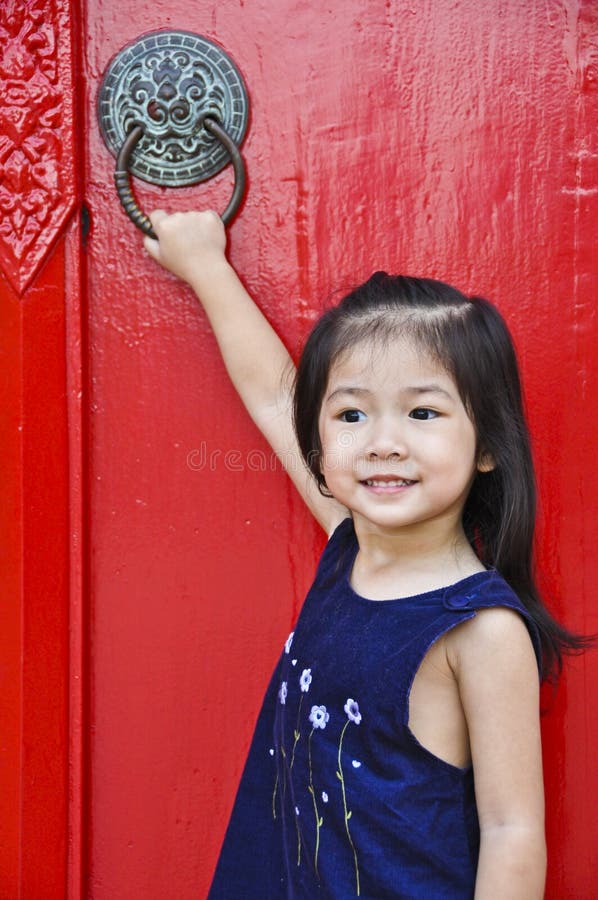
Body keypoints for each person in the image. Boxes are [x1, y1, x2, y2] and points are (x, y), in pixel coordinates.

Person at [143, 209, 586, 899]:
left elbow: (512, 832)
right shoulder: (348, 543)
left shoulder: (481, 629)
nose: (383, 441)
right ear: (321, 444)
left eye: (422, 413)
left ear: (490, 445)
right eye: (352, 415)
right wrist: (205, 266)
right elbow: (272, 393)